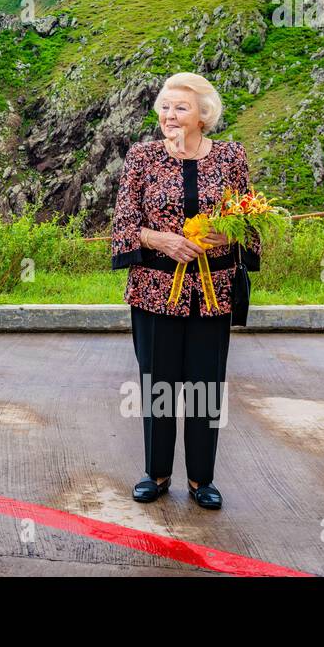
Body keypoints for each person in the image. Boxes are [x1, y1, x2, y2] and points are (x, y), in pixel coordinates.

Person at [108, 72, 260, 510]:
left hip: (212, 293)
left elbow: (247, 219)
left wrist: (226, 235)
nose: (169, 116)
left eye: (181, 108)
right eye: (164, 107)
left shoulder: (231, 157)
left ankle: (201, 479)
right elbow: (122, 226)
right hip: (155, 291)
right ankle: (155, 473)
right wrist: (162, 240)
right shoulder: (142, 157)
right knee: (157, 382)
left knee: (205, 384)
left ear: (202, 116)